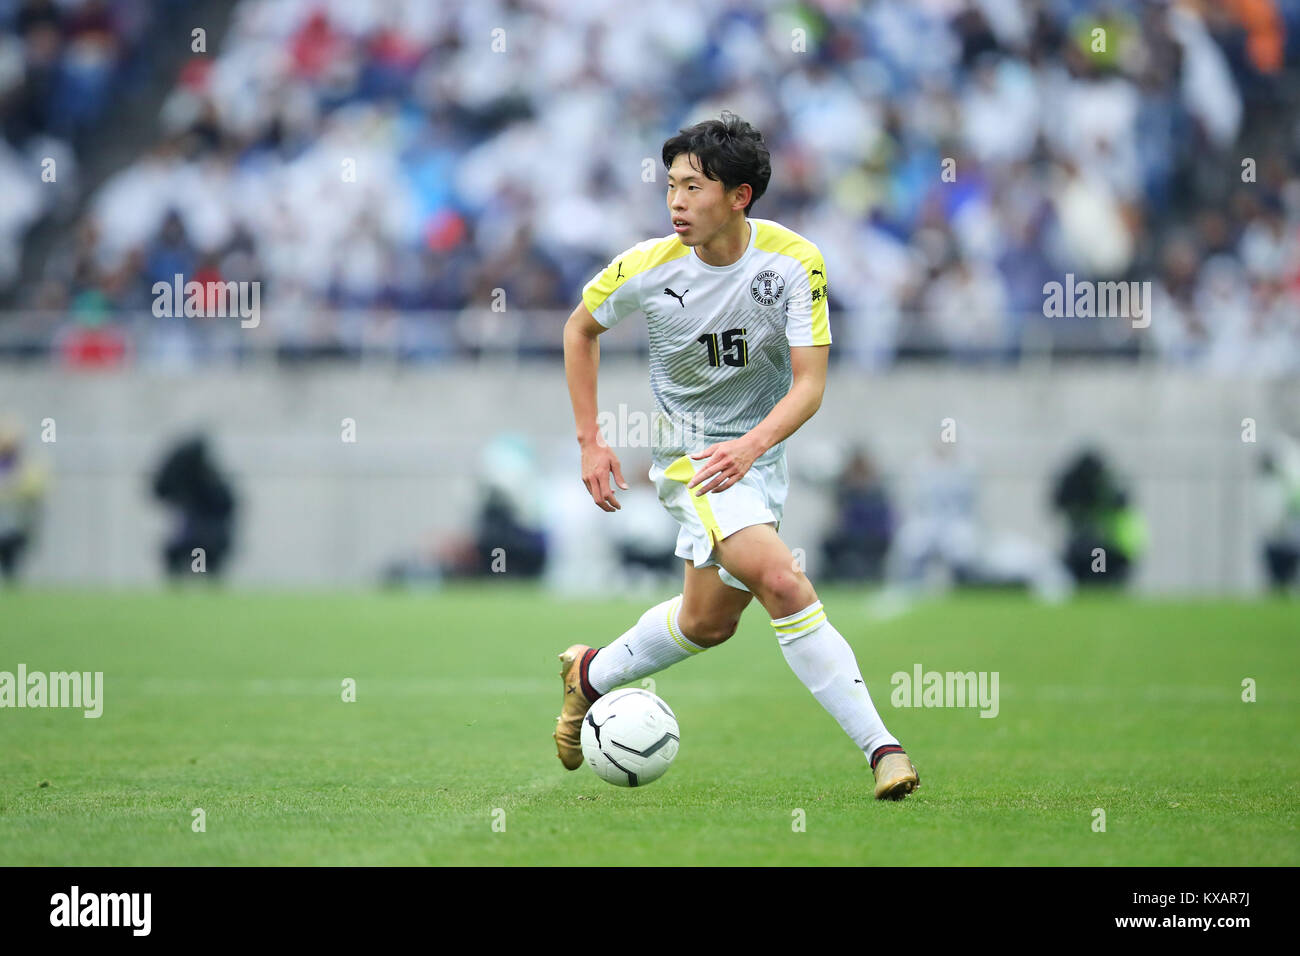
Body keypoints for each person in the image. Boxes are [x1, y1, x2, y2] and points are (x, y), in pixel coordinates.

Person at [557, 113, 919, 800]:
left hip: (758, 452)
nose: (675, 203)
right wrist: (591, 441)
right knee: (783, 582)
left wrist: (755, 445)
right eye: (670, 187)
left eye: (693, 188)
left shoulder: (793, 263)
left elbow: (811, 385)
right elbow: (579, 329)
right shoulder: (646, 266)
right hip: (692, 455)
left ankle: (591, 674)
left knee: (707, 623)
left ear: (739, 196)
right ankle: (884, 749)